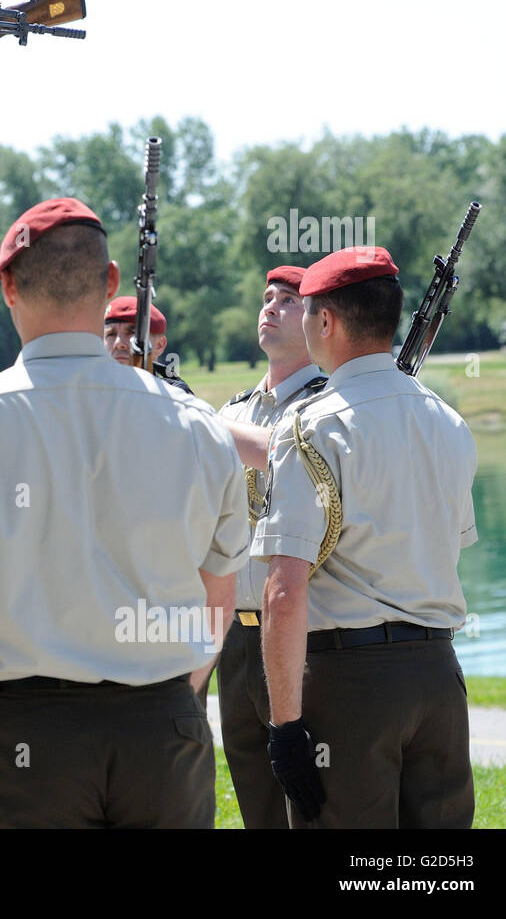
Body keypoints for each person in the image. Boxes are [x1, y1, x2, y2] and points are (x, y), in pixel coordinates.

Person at [0, 199, 248, 828]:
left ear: (7, 286)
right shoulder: (197, 426)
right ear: (109, 285)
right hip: (161, 727)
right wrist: (172, 698)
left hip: (27, 736)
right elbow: (220, 598)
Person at [254, 246, 477, 828]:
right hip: (437, 674)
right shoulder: (448, 421)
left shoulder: (308, 427)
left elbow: (284, 591)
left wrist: (283, 728)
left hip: (350, 685)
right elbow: (444, 549)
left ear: (324, 321)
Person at [214, 265, 325, 829]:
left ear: (318, 322)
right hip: (237, 638)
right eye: (267, 298)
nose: (271, 307)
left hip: (302, 635)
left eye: (289, 300)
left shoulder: (327, 410)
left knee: (309, 805)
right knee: (255, 804)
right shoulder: (232, 412)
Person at [103, 295, 194, 393]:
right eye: (111, 334)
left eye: (132, 332)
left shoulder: (175, 397)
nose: (118, 343)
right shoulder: (91, 392)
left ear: (159, 345)